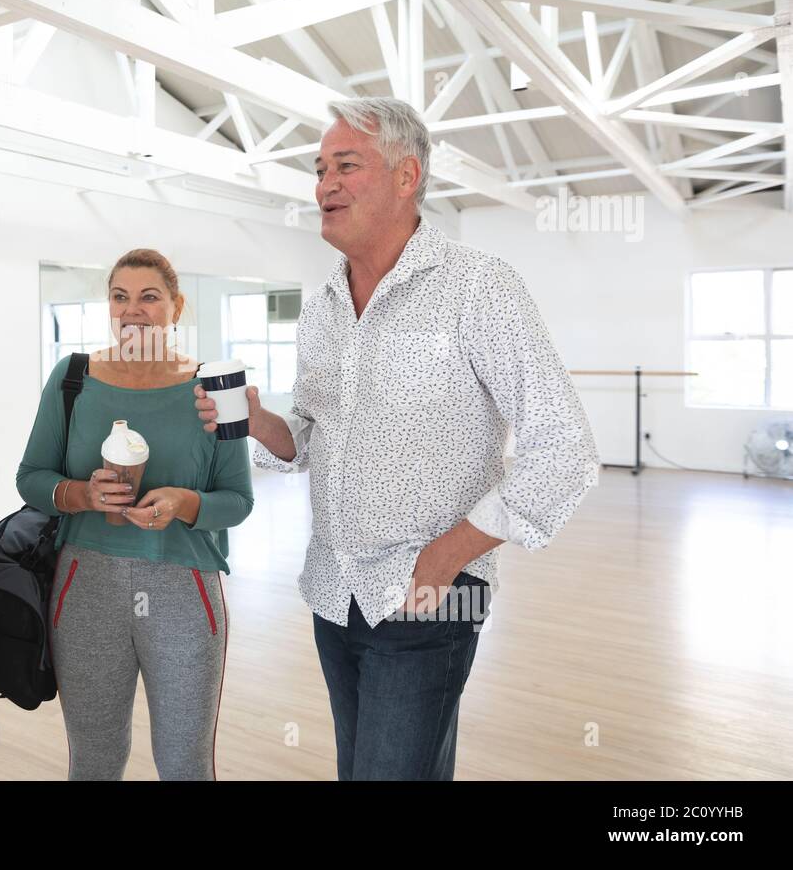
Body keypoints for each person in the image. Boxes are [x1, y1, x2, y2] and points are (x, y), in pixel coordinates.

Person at [195, 97, 600, 781]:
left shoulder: (480, 288)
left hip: (427, 599)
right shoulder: (322, 306)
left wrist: (449, 555)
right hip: (334, 594)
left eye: (345, 166)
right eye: (319, 169)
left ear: (407, 175)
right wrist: (263, 422)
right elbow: (312, 433)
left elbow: (564, 448)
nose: (324, 185)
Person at [17, 249, 253, 780]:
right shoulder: (72, 377)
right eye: (120, 297)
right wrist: (82, 494)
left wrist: (185, 504)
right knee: (95, 761)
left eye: (150, 297)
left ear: (176, 306)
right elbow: (31, 477)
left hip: (185, 591)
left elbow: (238, 500)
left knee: (184, 763)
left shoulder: (216, 386)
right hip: (85, 588)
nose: (133, 310)